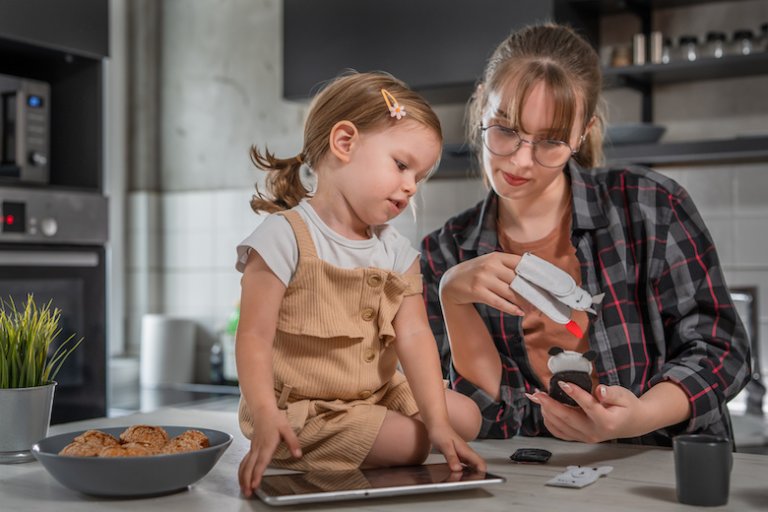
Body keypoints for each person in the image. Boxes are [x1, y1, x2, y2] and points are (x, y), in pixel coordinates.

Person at [421, 23, 751, 446]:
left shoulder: (649, 206)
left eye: (551, 141)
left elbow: (722, 350)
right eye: (505, 129)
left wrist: (642, 416)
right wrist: (453, 295)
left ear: (583, 132)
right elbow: (482, 414)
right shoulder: (442, 255)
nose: (521, 161)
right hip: (531, 486)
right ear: (482, 104)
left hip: (659, 469)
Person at [235, 71, 485, 498]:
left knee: (467, 419)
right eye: (402, 165)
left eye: (419, 177)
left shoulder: (396, 250)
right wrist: (263, 412)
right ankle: (300, 441)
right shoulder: (284, 236)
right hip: (306, 408)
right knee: (416, 445)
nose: (410, 187)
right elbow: (254, 336)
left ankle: (399, 428)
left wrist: (439, 421)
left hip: (376, 392)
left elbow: (414, 334)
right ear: (345, 142)